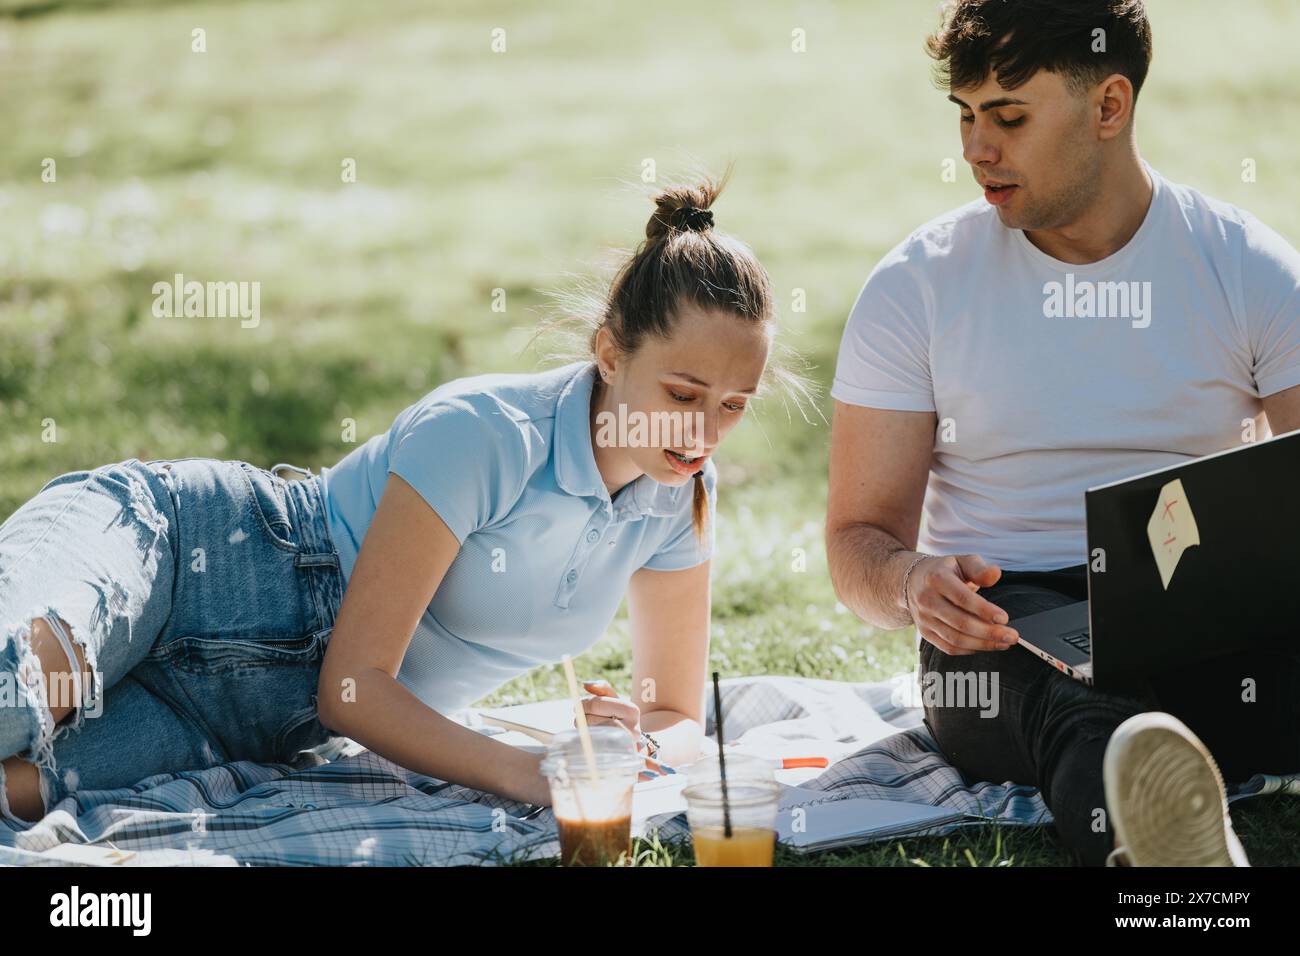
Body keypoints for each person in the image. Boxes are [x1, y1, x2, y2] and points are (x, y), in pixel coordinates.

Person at [0, 168, 809, 822]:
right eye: (682, 392)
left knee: (18, 795)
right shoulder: (487, 433)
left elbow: (673, 711)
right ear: (608, 353)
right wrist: (535, 775)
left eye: (733, 406)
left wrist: (620, 747)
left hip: (239, 728)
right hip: (178, 554)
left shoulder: (677, 502)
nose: (704, 432)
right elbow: (354, 687)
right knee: (16, 694)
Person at [825, 0, 1300, 866]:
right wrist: (913, 583)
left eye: (1008, 116)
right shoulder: (917, 287)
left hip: (1199, 603)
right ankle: (1171, 869)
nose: (976, 148)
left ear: (1109, 106)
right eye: (966, 116)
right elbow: (858, 544)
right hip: (1006, 629)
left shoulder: (1248, 270)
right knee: (1084, 715)